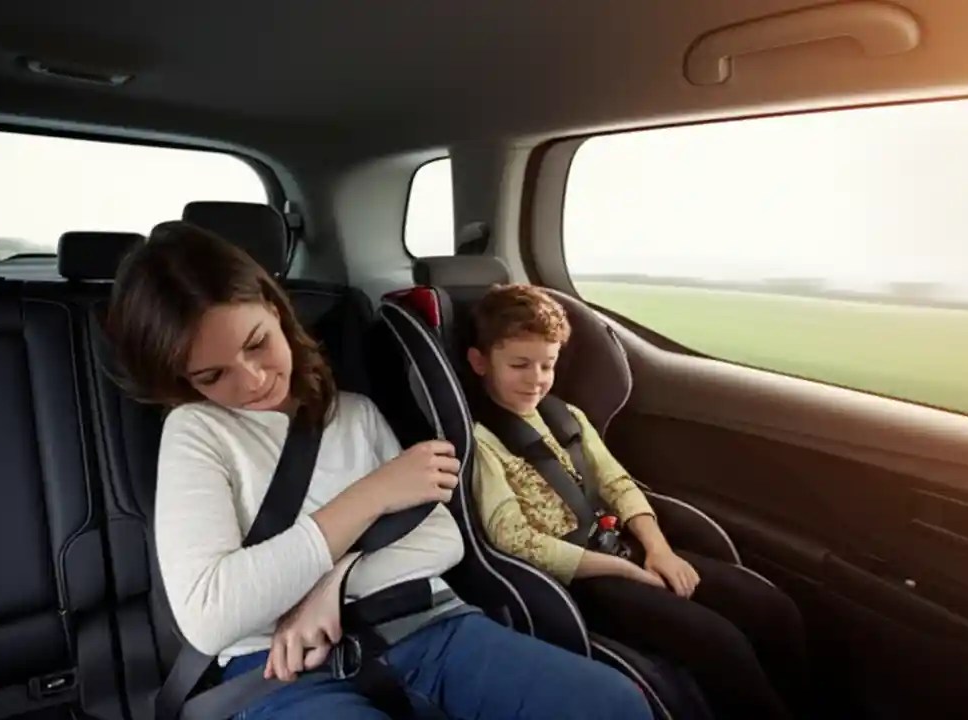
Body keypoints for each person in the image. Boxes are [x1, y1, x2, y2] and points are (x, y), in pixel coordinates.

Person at [105, 222, 653, 720]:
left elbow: (441, 538)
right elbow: (211, 614)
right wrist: (373, 495)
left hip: (430, 623)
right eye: (212, 375)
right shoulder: (197, 432)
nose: (251, 381)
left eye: (257, 344)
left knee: (616, 705)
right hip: (279, 665)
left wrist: (332, 583)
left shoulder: (357, 414)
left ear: (274, 308)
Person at [467, 283, 810, 720]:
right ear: (480, 362)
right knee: (721, 642)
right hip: (580, 582)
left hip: (626, 547)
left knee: (774, 610)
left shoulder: (567, 416)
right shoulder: (480, 441)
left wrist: (658, 549)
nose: (536, 378)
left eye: (547, 365)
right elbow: (513, 539)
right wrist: (624, 569)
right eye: (519, 364)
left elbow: (617, 482)